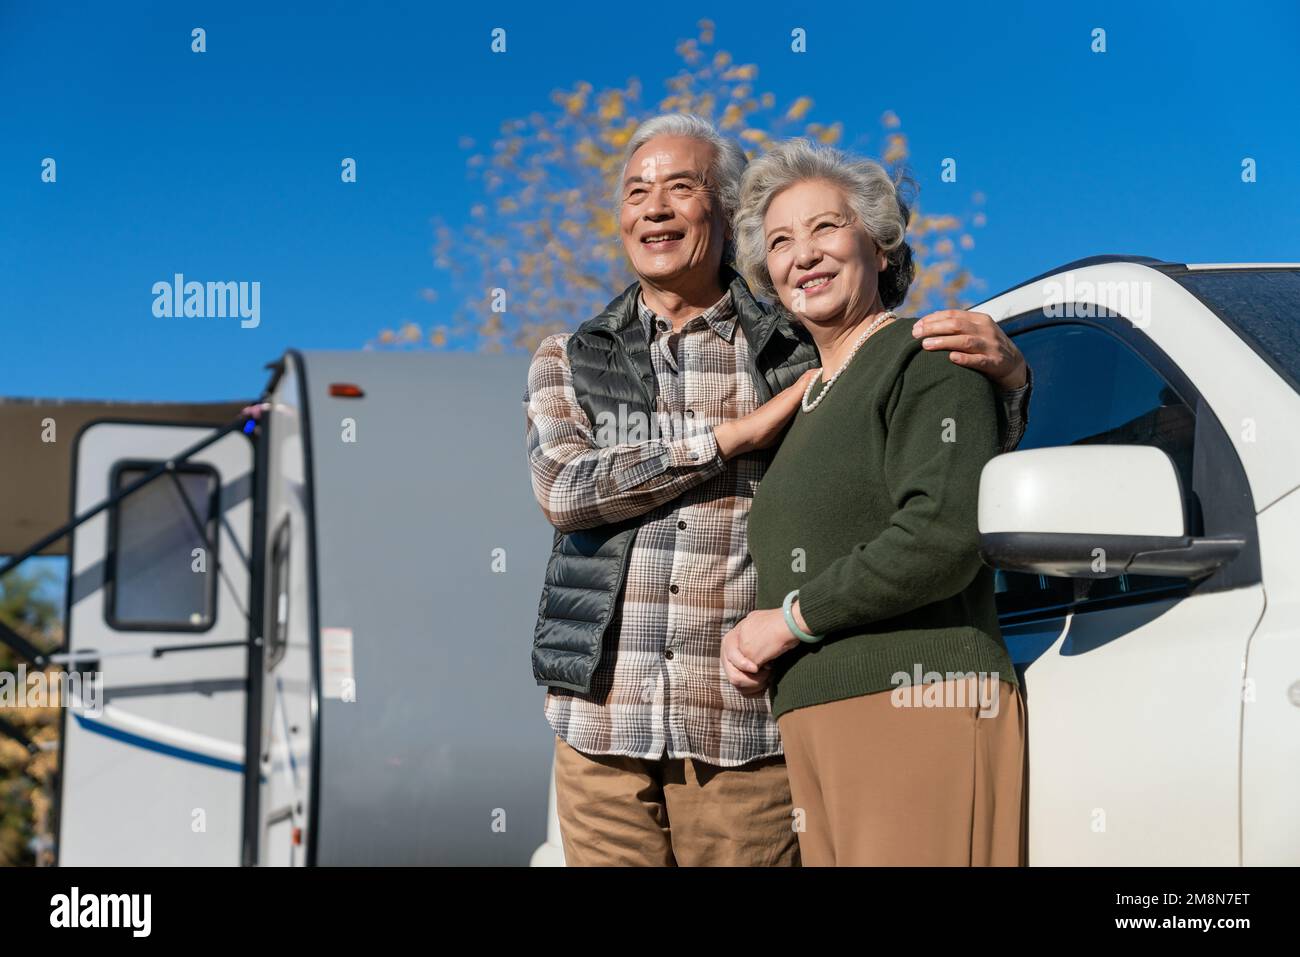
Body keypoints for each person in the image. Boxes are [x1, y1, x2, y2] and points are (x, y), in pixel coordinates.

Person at [524, 114, 1031, 866]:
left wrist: (1014, 380)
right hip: (602, 729)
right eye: (636, 191)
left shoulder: (797, 344)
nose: (654, 207)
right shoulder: (571, 355)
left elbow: (922, 457)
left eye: (680, 188)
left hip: (747, 732)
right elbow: (564, 489)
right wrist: (730, 439)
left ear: (727, 216)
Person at [723, 138, 1026, 866]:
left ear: (881, 248)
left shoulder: (931, 354)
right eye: (782, 243)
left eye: (827, 227)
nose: (805, 255)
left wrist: (785, 622)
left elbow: (940, 535)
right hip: (812, 721)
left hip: (919, 700)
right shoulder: (803, 407)